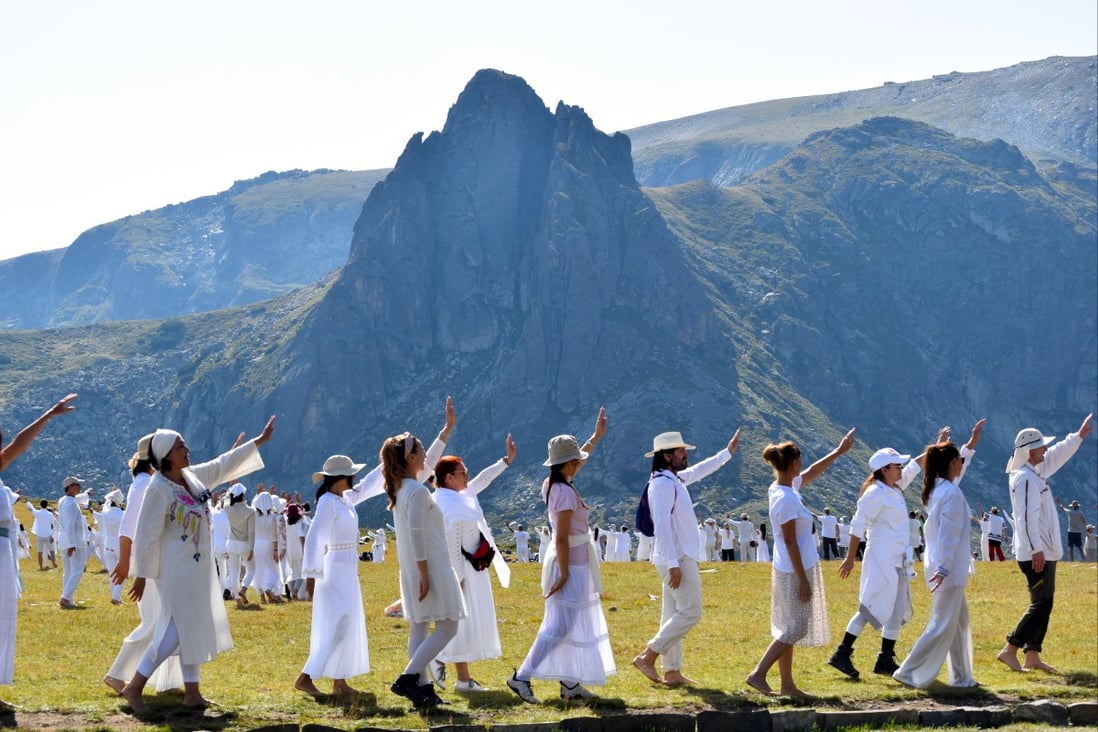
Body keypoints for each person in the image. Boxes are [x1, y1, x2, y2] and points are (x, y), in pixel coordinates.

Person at [120, 416, 275, 713]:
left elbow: (222, 464)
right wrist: (141, 576)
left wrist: (258, 441)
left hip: (199, 567)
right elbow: (146, 534)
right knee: (176, 629)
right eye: (180, 446)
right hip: (175, 568)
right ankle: (135, 685)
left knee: (192, 626)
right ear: (166, 454)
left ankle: (192, 693)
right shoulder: (158, 488)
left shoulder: (191, 478)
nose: (187, 449)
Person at [830, 422, 982, 680]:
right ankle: (842, 652)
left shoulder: (895, 488)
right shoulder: (874, 493)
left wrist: (936, 446)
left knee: (897, 607)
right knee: (871, 603)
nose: (901, 469)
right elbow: (858, 525)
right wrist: (849, 558)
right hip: (880, 556)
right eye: (896, 466)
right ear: (884, 470)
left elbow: (917, 465)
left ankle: (885, 657)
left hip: (899, 558)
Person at [507, 410, 613, 704]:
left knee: (567, 623)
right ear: (569, 463)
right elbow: (563, 537)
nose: (580, 462)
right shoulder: (564, 492)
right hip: (571, 563)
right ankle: (522, 676)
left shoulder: (553, 483)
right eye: (576, 460)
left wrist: (596, 436)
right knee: (559, 625)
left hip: (572, 560)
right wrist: (565, 573)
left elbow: (580, 461)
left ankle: (569, 683)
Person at [746, 428, 855, 697]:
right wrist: (803, 579)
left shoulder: (783, 488)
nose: (803, 465)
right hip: (795, 569)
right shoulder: (784, 498)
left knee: (789, 625)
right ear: (794, 462)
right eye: (800, 460)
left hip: (793, 566)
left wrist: (839, 451)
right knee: (797, 626)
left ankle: (787, 685)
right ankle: (758, 673)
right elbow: (789, 541)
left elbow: (813, 472)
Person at [631, 428, 741, 687]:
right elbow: (661, 525)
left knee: (672, 614)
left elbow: (700, 470)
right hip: (677, 557)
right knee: (691, 612)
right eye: (681, 451)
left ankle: (672, 672)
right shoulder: (662, 484)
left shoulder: (673, 479)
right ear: (667, 456)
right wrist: (673, 564)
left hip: (676, 555)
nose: (685, 454)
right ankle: (647, 656)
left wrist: (726, 453)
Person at [997, 414, 1093, 674]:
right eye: (1041, 447)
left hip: (1041, 550)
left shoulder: (1033, 471)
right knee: (1041, 604)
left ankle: (1033, 656)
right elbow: (1026, 517)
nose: (1046, 450)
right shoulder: (1026, 478)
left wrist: (1077, 437)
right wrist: (1036, 549)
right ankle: (1010, 649)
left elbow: (1056, 456)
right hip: (1036, 552)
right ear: (1030, 452)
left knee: (1044, 602)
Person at [0, 393, 77, 693]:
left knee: (5, 616)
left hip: (4, 552)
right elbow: (17, 445)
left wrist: (48, 415)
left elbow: (18, 444)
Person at [892, 438, 981, 689]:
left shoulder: (937, 490)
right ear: (953, 463)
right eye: (959, 460)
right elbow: (949, 534)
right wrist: (944, 568)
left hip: (942, 564)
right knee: (942, 624)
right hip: (947, 568)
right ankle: (908, 671)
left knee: (959, 623)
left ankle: (962, 677)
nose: (961, 464)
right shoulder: (950, 493)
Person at [383, 432, 464, 709]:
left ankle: (423, 687)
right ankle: (408, 678)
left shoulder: (402, 489)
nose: (426, 454)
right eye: (421, 449)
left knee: (419, 627)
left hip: (413, 569)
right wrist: (425, 574)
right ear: (410, 457)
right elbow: (416, 533)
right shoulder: (417, 491)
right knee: (448, 626)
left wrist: (446, 430)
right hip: (432, 566)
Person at [104, 434, 184, 696]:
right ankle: (117, 674)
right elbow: (128, 528)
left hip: (156, 559)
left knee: (166, 619)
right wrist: (125, 562)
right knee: (154, 620)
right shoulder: (143, 485)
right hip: (148, 560)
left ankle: (168, 681)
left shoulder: (147, 483)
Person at [433, 433, 515, 692]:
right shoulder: (448, 504)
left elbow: (481, 480)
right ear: (449, 478)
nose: (467, 475)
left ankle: (463, 678)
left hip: (473, 567)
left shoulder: (457, 496)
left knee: (466, 624)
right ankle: (438, 658)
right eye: (462, 472)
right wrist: (458, 579)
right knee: (462, 622)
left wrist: (505, 461)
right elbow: (451, 544)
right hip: (464, 571)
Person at [294, 455, 371, 697]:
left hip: (347, 567)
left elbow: (371, 483)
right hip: (335, 568)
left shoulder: (343, 500)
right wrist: (311, 577)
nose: (355, 477)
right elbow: (315, 537)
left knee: (346, 623)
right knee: (336, 623)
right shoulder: (328, 501)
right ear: (343, 476)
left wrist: (390, 463)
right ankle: (306, 677)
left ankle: (340, 681)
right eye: (352, 474)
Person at [58, 475, 89, 608]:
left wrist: (86, 494)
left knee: (68, 571)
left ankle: (68, 599)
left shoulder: (62, 501)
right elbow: (70, 524)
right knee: (78, 568)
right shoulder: (71, 504)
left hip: (63, 539)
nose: (79, 487)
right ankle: (65, 596)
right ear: (70, 487)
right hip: (74, 540)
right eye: (77, 485)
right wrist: (72, 544)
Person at [223, 482, 255, 606]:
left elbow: (225, 499)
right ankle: (244, 588)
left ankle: (237, 600)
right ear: (243, 495)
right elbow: (251, 532)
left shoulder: (228, 508)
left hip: (231, 542)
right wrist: (252, 549)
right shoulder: (250, 511)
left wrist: (230, 491)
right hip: (244, 543)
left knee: (234, 572)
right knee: (251, 569)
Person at [94, 488, 126, 605]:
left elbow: (106, 505)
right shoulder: (122, 515)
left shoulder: (106, 512)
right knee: (123, 570)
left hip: (108, 544)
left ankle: (115, 595)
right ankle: (116, 596)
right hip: (120, 544)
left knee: (112, 573)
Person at [27, 499, 56, 570]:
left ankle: (41, 567)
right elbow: (53, 525)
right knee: (52, 551)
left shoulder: (37, 513)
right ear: (47, 505)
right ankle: (53, 565)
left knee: (40, 552)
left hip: (39, 534)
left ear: (40, 505)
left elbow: (31, 508)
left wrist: (28, 502)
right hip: (48, 534)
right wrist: (52, 535)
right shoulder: (50, 514)